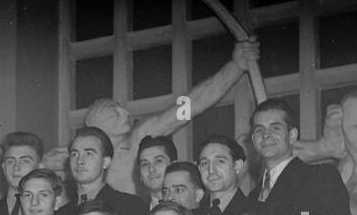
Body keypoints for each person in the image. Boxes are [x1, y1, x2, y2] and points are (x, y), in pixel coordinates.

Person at [45, 37, 260, 196]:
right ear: (97, 127)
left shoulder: (139, 139)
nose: (125, 113)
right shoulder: (72, 157)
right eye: (114, 110)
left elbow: (190, 106)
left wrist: (236, 67)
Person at [57, 128, 146, 215]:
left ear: (105, 162)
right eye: (75, 154)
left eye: (88, 153)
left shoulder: (129, 206)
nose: (79, 161)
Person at [136, 135, 178, 210]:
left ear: (174, 166)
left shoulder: (193, 208)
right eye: (145, 164)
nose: (151, 169)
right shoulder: (135, 214)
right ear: (140, 175)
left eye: (158, 161)